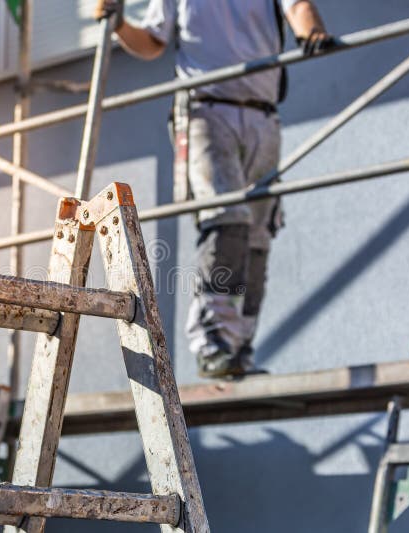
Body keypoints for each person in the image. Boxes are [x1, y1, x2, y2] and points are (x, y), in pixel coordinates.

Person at [94, 0, 334, 378]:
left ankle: (238, 347)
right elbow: (153, 41)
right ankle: (212, 341)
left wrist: (311, 32)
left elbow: (298, 6)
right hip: (207, 110)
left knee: (258, 235)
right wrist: (120, 24)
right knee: (227, 221)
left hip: (262, 112)